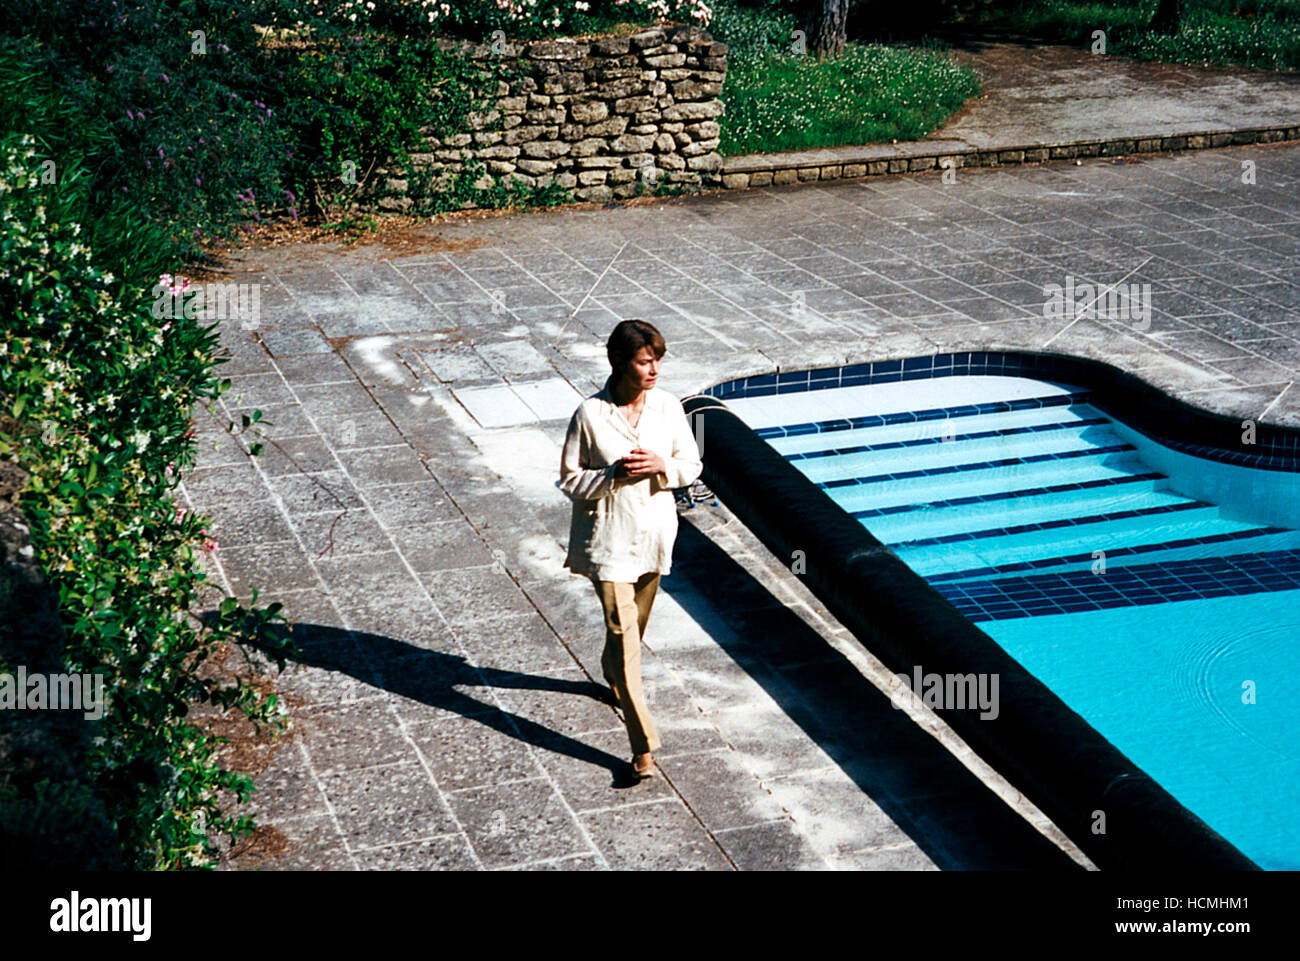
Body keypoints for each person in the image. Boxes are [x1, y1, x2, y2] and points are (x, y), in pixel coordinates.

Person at [557, 319, 703, 780]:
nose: (654, 368)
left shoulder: (668, 408)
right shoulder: (590, 414)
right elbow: (568, 478)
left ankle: (611, 670)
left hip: (656, 535)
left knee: (631, 632)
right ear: (622, 363)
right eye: (644, 361)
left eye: (657, 358)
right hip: (610, 541)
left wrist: (663, 466)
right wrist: (612, 476)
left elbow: (692, 465)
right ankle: (643, 746)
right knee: (625, 637)